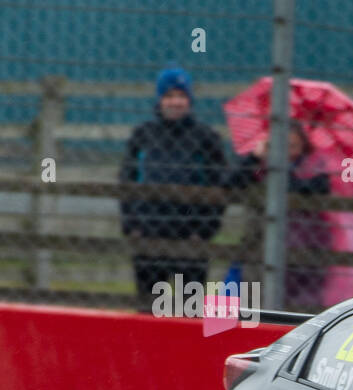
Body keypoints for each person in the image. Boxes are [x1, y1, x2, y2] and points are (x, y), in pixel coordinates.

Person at [119, 66, 227, 308]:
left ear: (189, 100)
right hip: (149, 234)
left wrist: (205, 230)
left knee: (190, 309)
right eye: (169, 96)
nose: (175, 102)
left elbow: (219, 186)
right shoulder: (143, 135)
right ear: (160, 100)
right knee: (149, 308)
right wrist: (132, 225)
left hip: (190, 237)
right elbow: (126, 180)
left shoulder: (206, 138)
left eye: (181, 96)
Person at [228, 121, 332, 309]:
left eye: (292, 146)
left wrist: (279, 173)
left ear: (303, 148)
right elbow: (230, 183)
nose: (286, 152)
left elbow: (315, 189)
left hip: (301, 247)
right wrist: (254, 157)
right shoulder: (259, 166)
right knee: (248, 297)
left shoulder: (313, 169)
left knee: (295, 304)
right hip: (258, 245)